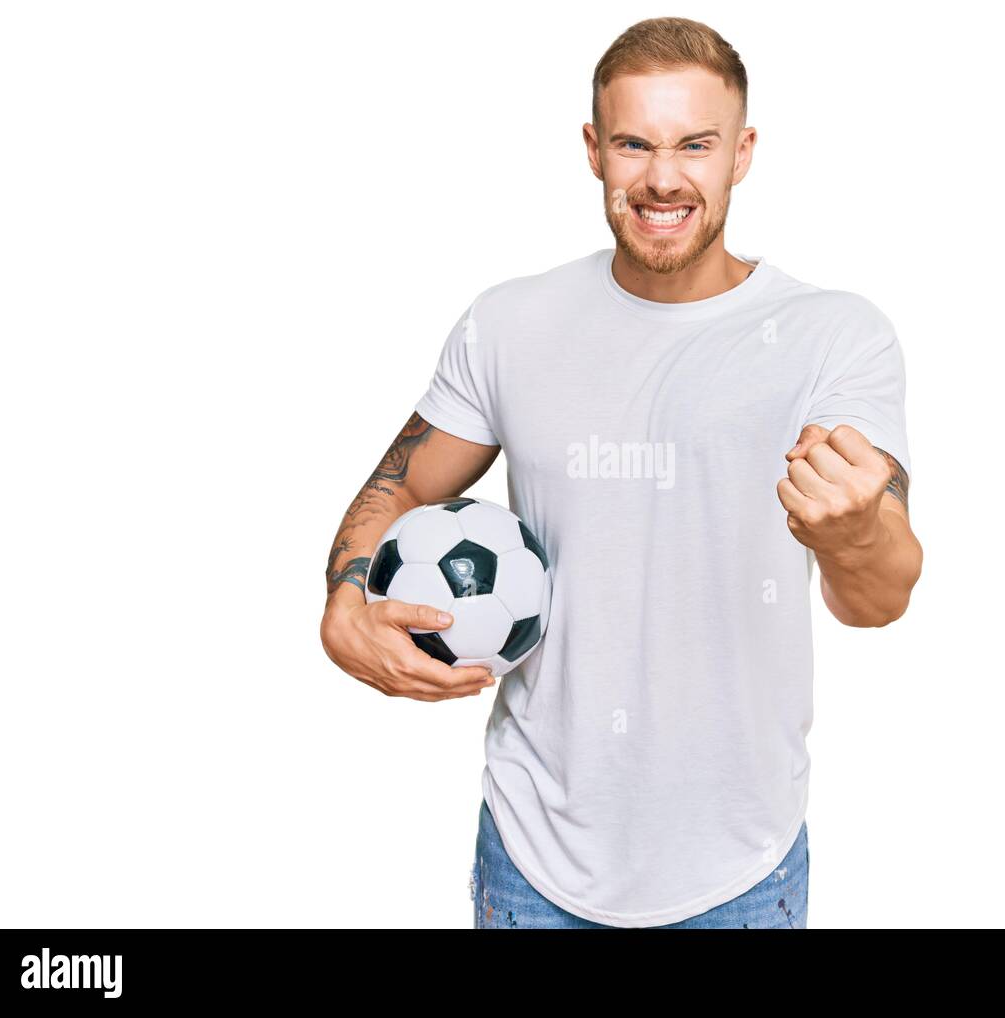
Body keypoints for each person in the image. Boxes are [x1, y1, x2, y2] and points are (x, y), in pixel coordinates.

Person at [320, 16, 922, 929]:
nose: (664, 177)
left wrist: (855, 534)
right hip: (535, 856)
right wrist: (342, 602)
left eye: (696, 144)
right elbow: (401, 485)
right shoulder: (510, 323)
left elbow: (878, 598)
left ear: (743, 153)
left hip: (741, 868)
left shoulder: (833, 337)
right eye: (635, 143)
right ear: (594, 149)